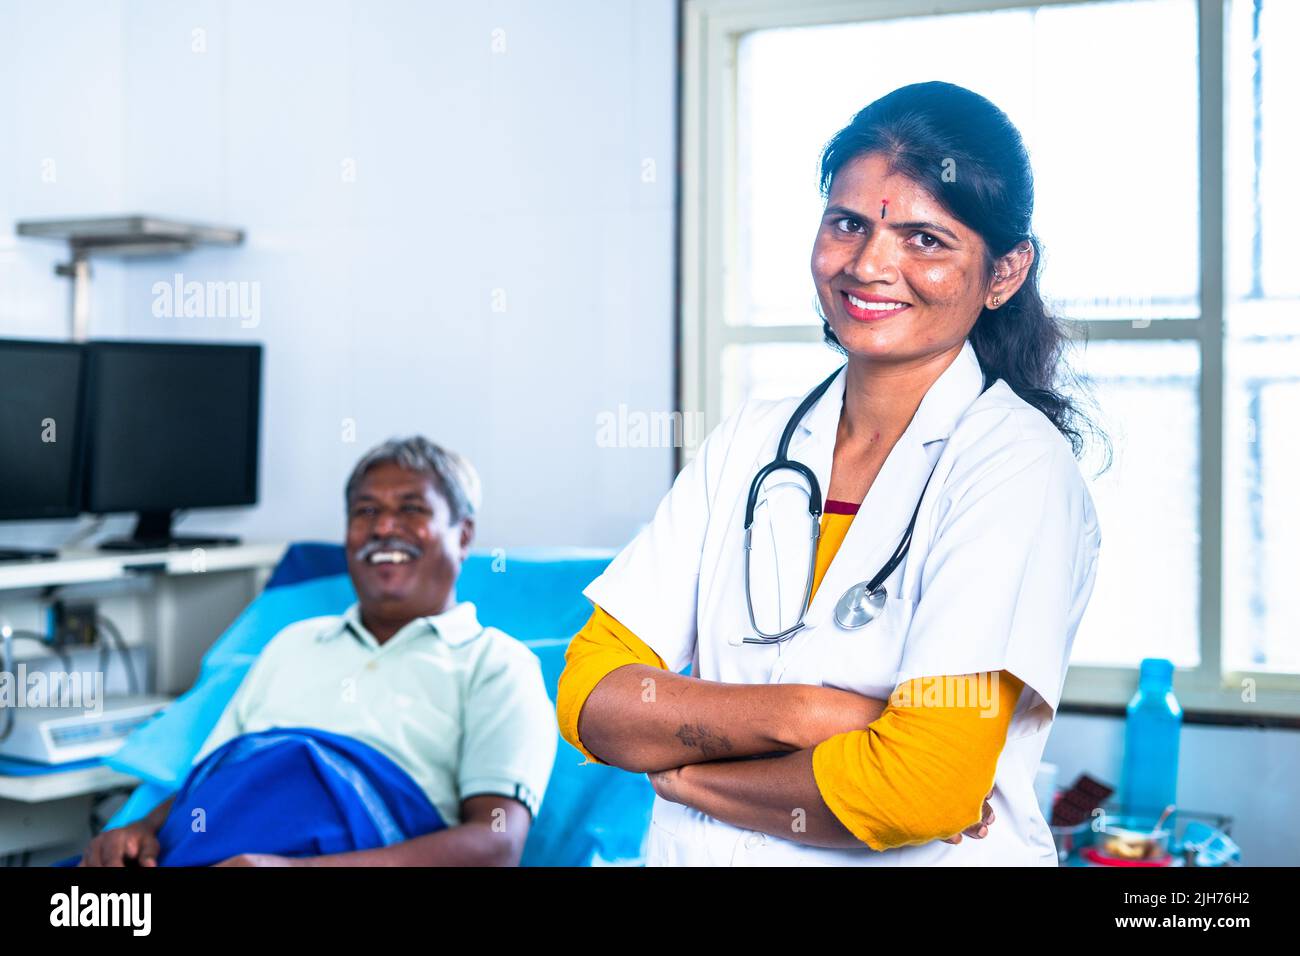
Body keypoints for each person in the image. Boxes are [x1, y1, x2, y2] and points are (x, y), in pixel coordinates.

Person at [556, 81, 1103, 865]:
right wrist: (813, 715)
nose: (870, 265)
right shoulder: (750, 442)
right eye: (847, 223)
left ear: (1005, 273)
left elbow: (921, 787)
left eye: (926, 240)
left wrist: (682, 776)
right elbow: (590, 698)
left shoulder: (1015, 469)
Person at [81, 437, 556, 866]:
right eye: (365, 511)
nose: (383, 527)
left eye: (412, 509)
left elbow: (497, 846)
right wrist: (141, 830)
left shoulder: (496, 665)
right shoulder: (293, 643)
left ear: (464, 535)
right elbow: (219, 784)